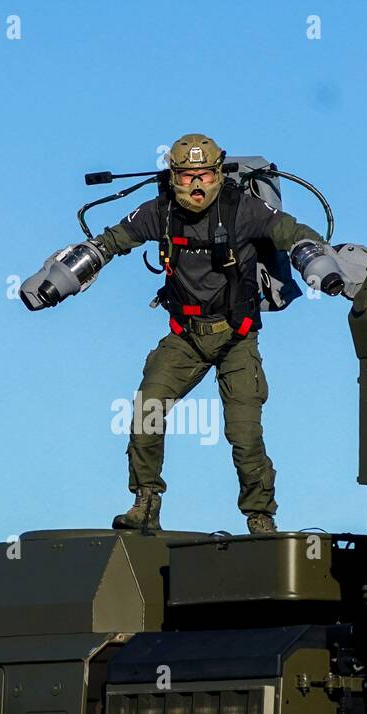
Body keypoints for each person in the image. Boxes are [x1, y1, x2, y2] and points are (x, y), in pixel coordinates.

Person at [90, 133, 344, 534]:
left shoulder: (242, 209)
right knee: (146, 412)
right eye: (187, 175)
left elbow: (294, 232)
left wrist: (316, 258)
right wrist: (76, 266)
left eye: (205, 175)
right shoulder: (160, 212)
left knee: (243, 435)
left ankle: (260, 516)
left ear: (218, 174)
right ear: (172, 176)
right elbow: (110, 241)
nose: (196, 185)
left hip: (236, 337)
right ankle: (146, 500)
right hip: (185, 337)